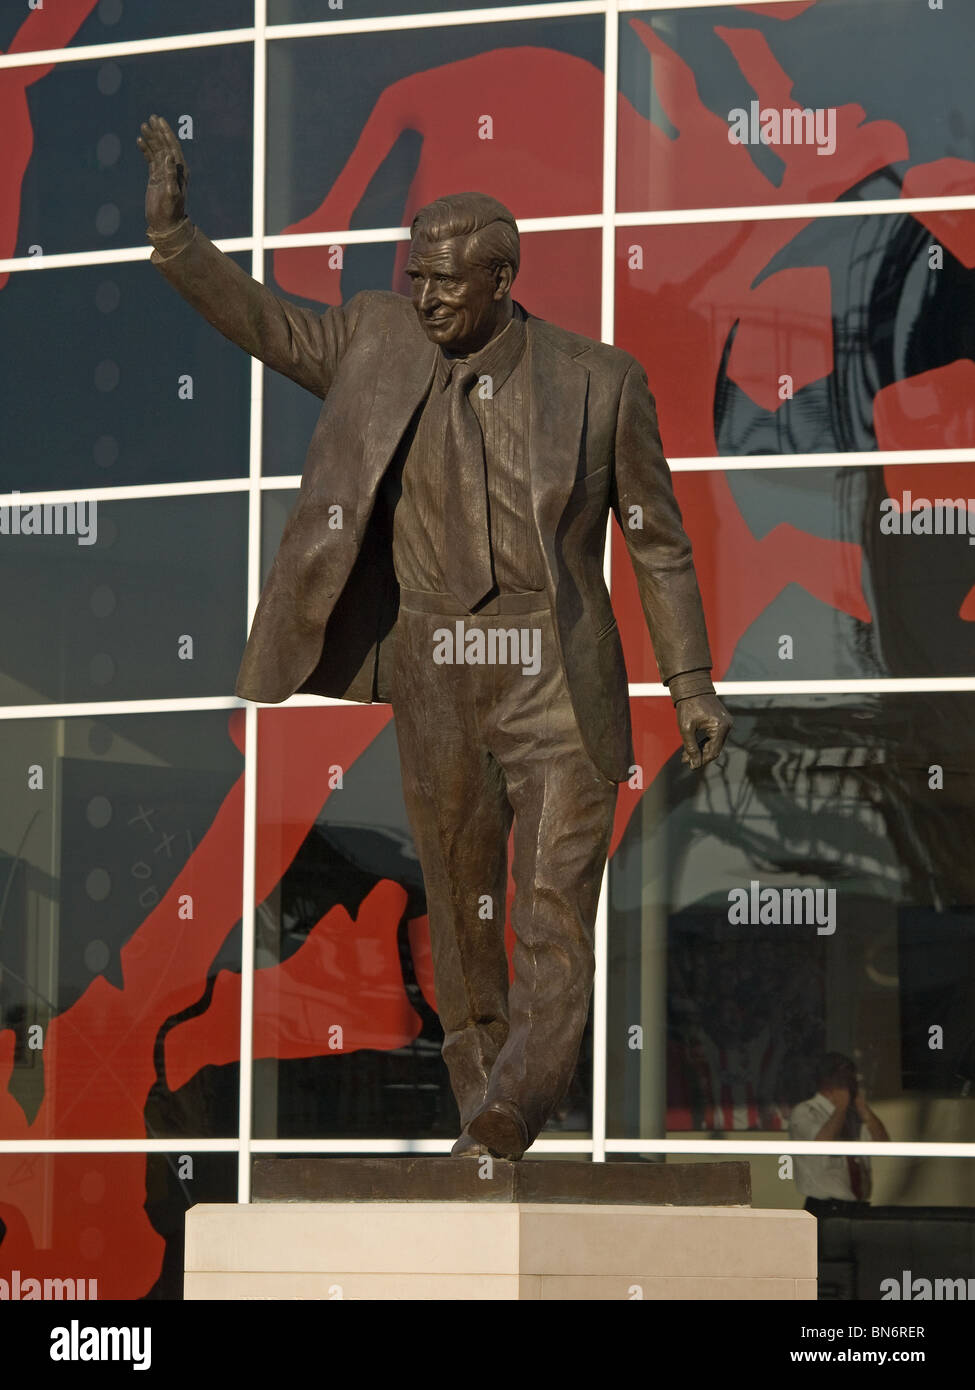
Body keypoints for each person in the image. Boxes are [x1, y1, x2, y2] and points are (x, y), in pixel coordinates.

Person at [137, 115, 732, 1160]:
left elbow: (658, 545)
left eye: (446, 284)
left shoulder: (601, 384)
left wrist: (690, 683)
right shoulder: (379, 341)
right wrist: (179, 239)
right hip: (439, 670)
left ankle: (510, 1109)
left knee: (550, 918)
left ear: (503, 280)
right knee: (461, 925)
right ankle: (483, 1115)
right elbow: (269, 325)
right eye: (415, 277)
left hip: (552, 671)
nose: (424, 298)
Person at [790, 1051, 890, 1218]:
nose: (851, 1083)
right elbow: (821, 1144)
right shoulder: (805, 1112)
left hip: (857, 1208)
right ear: (828, 1080)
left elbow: (883, 1144)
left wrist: (863, 1108)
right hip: (825, 1209)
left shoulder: (853, 1115)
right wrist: (841, 1106)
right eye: (845, 1078)